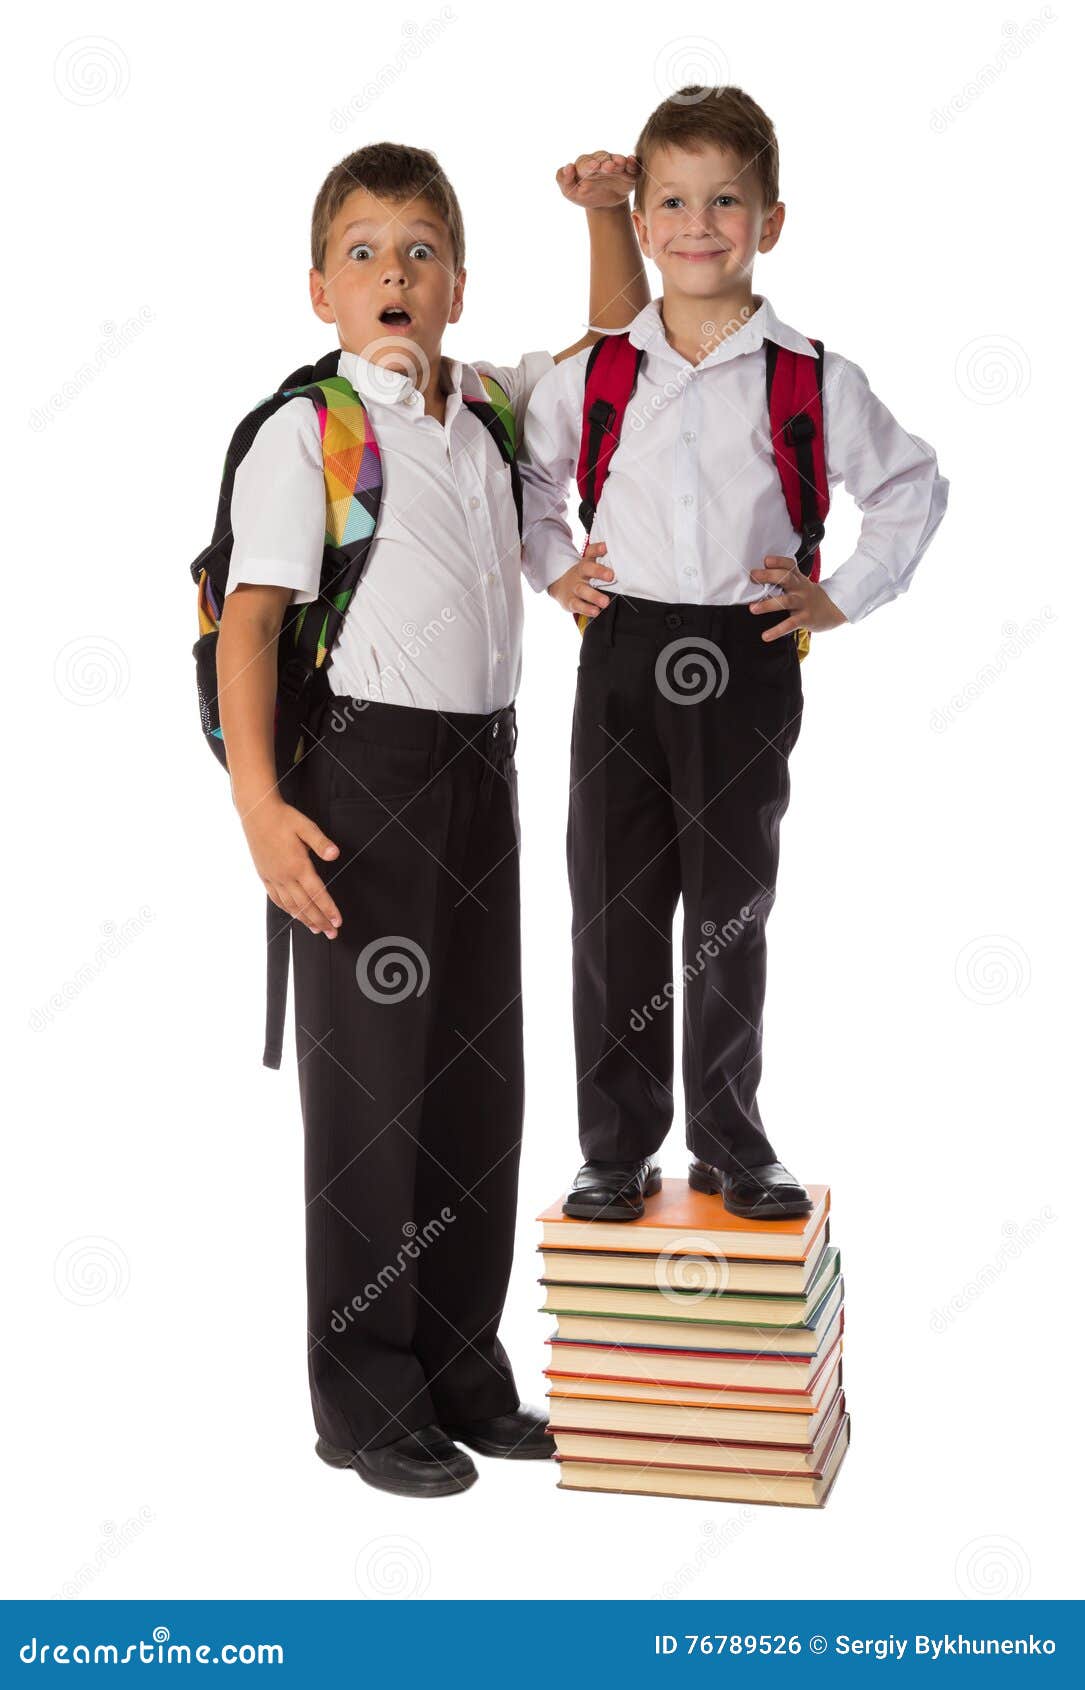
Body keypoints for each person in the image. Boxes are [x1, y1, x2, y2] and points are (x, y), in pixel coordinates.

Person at [213, 142, 649, 1496]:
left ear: (456, 284)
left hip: (483, 768)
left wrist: (606, 217)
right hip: (360, 783)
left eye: (418, 252)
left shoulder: (491, 413)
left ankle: (462, 1360)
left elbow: (614, 344)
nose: (391, 272)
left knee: (475, 1076)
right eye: (362, 252)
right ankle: (362, 1391)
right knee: (369, 1096)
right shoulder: (311, 430)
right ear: (318, 290)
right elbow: (252, 618)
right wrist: (261, 807)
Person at [518, 86, 949, 1225]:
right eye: (671, 201)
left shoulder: (807, 374)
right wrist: (552, 566)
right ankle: (612, 1146)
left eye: (725, 201)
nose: (697, 223)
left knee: (727, 905)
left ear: (770, 219)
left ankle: (725, 1134)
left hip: (746, 653)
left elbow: (910, 486)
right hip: (620, 647)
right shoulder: (603, 370)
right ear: (643, 222)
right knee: (611, 906)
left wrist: (837, 597)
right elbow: (527, 473)